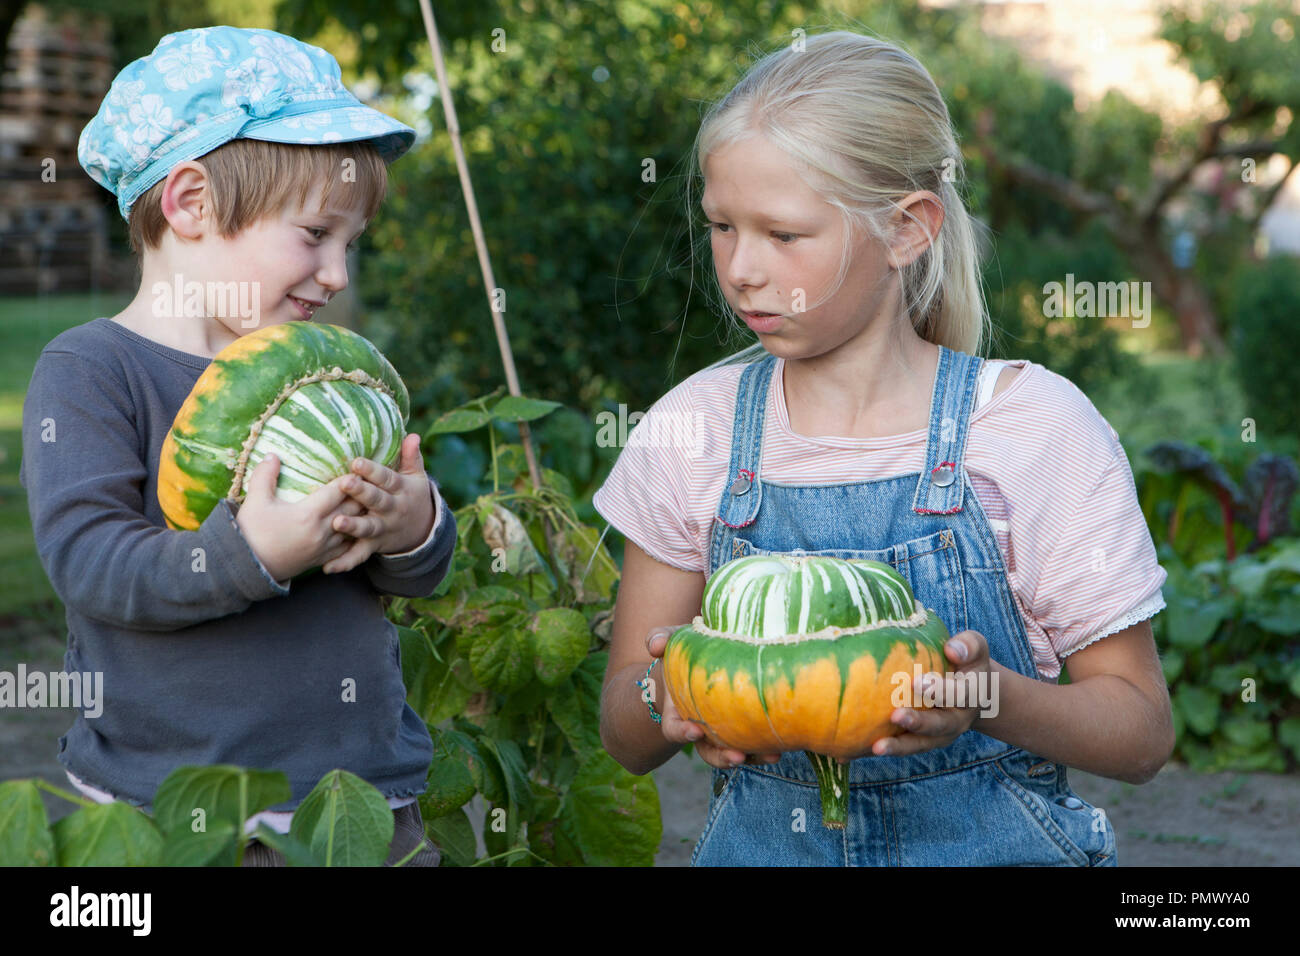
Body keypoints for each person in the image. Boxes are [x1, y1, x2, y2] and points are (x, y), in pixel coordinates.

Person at [594, 30, 1174, 866]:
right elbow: (625, 730)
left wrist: (975, 696)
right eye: (722, 226)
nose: (741, 269)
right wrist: (673, 694)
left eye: (784, 235)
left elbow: (1140, 731)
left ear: (908, 231)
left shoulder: (1033, 429)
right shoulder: (694, 431)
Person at [20, 26, 456, 866]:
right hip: (182, 810)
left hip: (363, 799)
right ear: (190, 204)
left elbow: (407, 570)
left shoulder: (327, 378)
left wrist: (410, 526)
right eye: (315, 235)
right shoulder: (94, 370)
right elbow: (90, 561)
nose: (335, 274)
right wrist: (249, 552)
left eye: (349, 246)